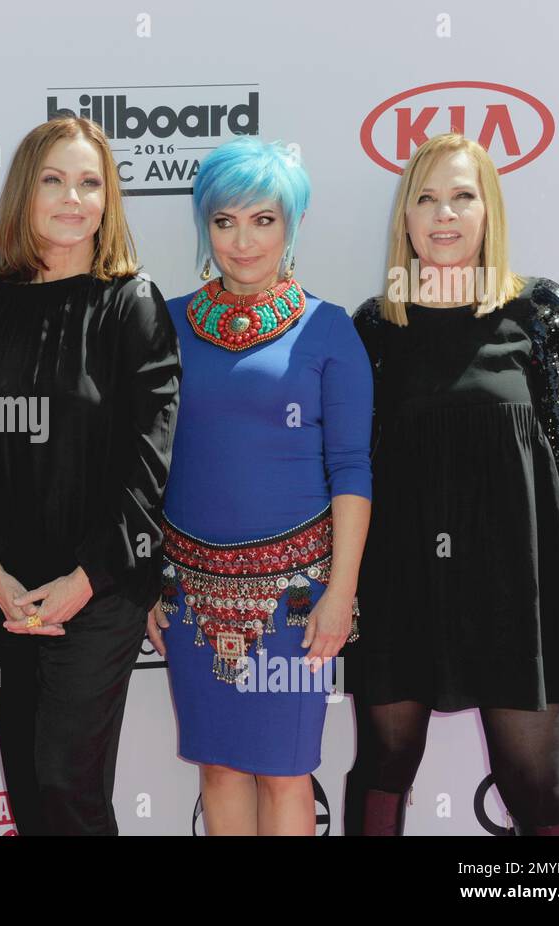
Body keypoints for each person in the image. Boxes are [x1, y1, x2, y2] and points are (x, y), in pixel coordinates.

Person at [344, 133, 559, 836]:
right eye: (426, 198)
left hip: (515, 583)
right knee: (382, 769)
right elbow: (353, 469)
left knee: (533, 785)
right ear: (404, 217)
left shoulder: (540, 309)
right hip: (400, 580)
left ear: (488, 209)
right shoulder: (376, 327)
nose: (444, 214)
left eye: (462, 195)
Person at [0, 116, 181, 836]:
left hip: (98, 591)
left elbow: (150, 466)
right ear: (24, 192)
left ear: (108, 201)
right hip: (4, 590)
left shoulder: (132, 306)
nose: (73, 198)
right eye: (54, 180)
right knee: (27, 789)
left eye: (89, 182)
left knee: (65, 786)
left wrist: (87, 580)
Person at [146, 137, 372, 835]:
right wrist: (151, 579)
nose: (242, 241)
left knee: (284, 769)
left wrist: (339, 593)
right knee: (218, 766)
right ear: (205, 226)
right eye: (225, 221)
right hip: (189, 594)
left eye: (263, 220)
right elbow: (145, 463)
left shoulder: (328, 330)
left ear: (292, 226)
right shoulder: (166, 324)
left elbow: (353, 470)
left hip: (297, 602)